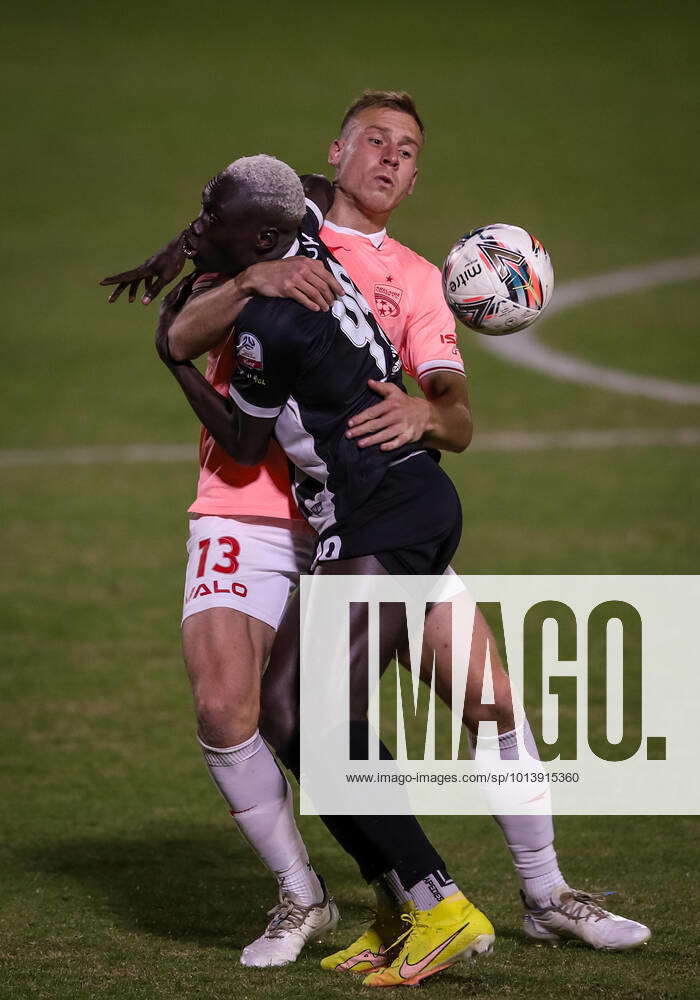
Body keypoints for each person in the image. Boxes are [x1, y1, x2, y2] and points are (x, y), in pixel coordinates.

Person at [102, 91, 650, 961]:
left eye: (408, 151)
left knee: (486, 697)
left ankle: (544, 893)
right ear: (338, 151)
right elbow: (198, 290)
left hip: (365, 511)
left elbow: (457, 418)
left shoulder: (427, 280)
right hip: (247, 503)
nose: (392, 159)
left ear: (417, 176)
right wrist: (236, 275)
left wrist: (424, 419)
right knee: (230, 708)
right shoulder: (287, 223)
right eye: (376, 142)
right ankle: (306, 896)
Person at [156, 153, 497, 988]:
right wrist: (190, 246)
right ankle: (395, 901)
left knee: (302, 706)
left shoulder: (272, 322)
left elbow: (241, 445)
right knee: (289, 712)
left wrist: (176, 363)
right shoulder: (302, 232)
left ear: (268, 240)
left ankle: (441, 902)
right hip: (376, 509)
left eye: (216, 222)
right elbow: (285, 191)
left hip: (391, 509)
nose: (203, 226)